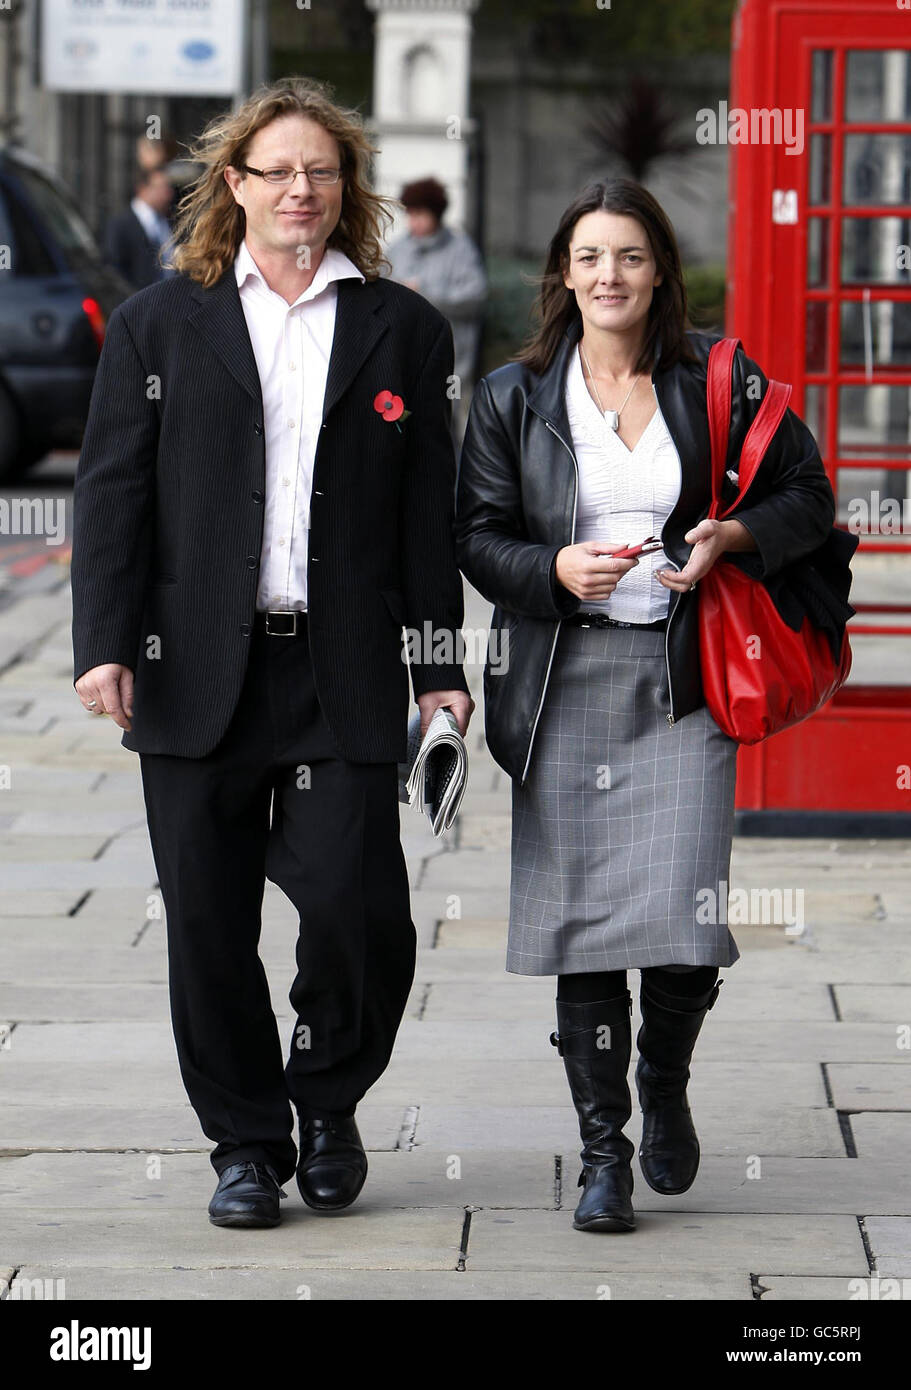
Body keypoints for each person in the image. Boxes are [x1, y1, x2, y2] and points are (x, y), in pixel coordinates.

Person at [71, 76, 473, 1229]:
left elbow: (421, 523)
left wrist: (439, 667)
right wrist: (105, 644)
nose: (302, 188)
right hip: (192, 668)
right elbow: (111, 498)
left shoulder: (402, 328)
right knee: (207, 926)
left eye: (323, 170)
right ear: (234, 184)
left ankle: (327, 1097)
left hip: (339, 671)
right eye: (278, 170)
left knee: (359, 914)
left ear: (346, 189)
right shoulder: (161, 321)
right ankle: (246, 1144)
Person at [454, 178, 835, 1234]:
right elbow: (476, 537)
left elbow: (807, 494)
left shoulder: (715, 375)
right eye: (589, 258)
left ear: (657, 268)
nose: (608, 275)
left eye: (628, 256)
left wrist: (728, 537)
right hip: (559, 682)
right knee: (581, 929)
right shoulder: (511, 394)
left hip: (680, 681)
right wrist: (551, 566)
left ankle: (661, 1081)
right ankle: (600, 1152)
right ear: (563, 275)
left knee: (679, 918)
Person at [385, 177, 487, 442]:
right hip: (405, 357)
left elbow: (475, 296)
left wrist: (426, 294)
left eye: (421, 214)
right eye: (410, 214)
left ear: (436, 214)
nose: (414, 222)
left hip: (455, 360)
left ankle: (469, 478)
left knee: (462, 423)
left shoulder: (460, 249)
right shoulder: (398, 250)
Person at [102, 164, 177, 291]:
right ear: (143, 189)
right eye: (161, 188)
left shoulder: (169, 221)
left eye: (169, 188)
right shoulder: (120, 224)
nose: (168, 194)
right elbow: (114, 270)